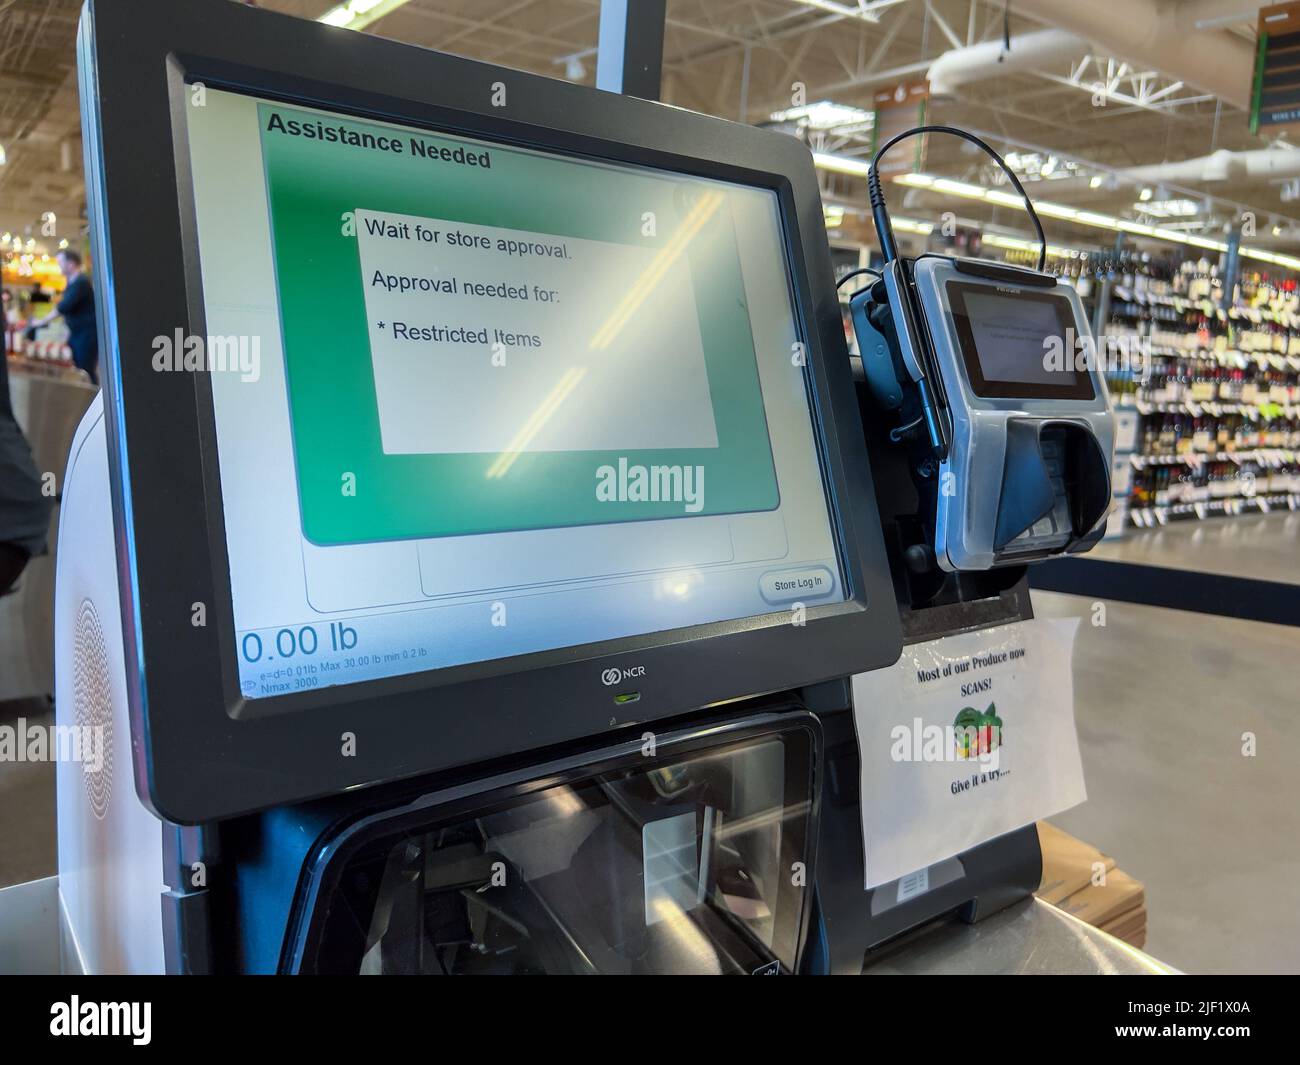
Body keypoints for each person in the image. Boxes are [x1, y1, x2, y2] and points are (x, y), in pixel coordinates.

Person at [28, 249, 98, 385]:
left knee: (86, 370)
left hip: (86, 335)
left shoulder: (81, 283)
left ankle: (95, 402)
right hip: (77, 334)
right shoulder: (72, 283)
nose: (58, 265)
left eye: (60, 262)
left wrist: (40, 322)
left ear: (71, 264)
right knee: (79, 368)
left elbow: (62, 307)